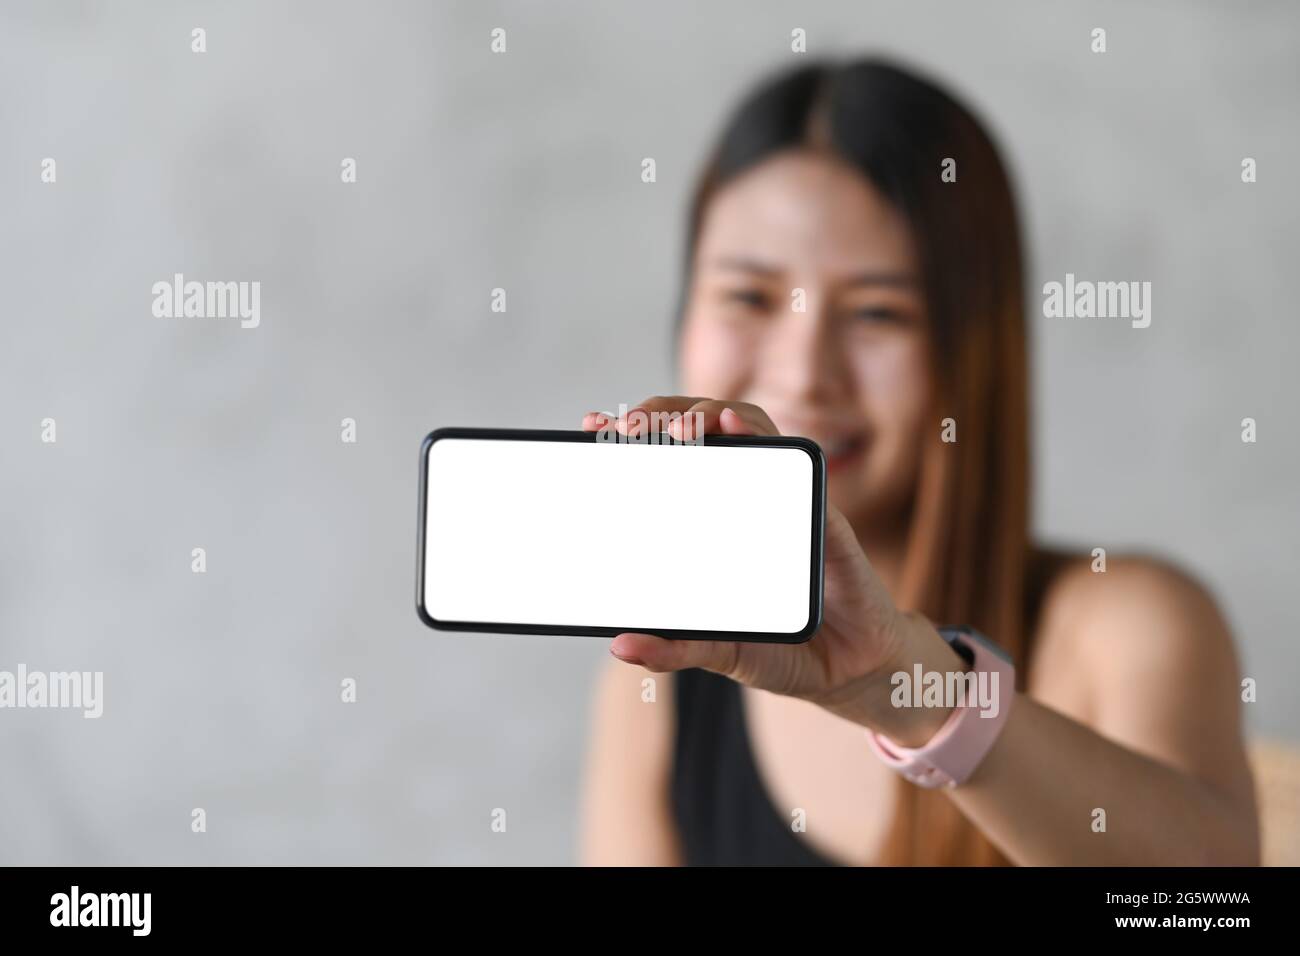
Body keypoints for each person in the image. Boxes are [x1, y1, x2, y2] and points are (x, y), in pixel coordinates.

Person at [575, 58, 1259, 866]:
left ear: (973, 351)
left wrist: (902, 686)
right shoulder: (660, 674)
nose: (803, 374)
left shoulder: (1125, 627)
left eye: (877, 313)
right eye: (750, 297)